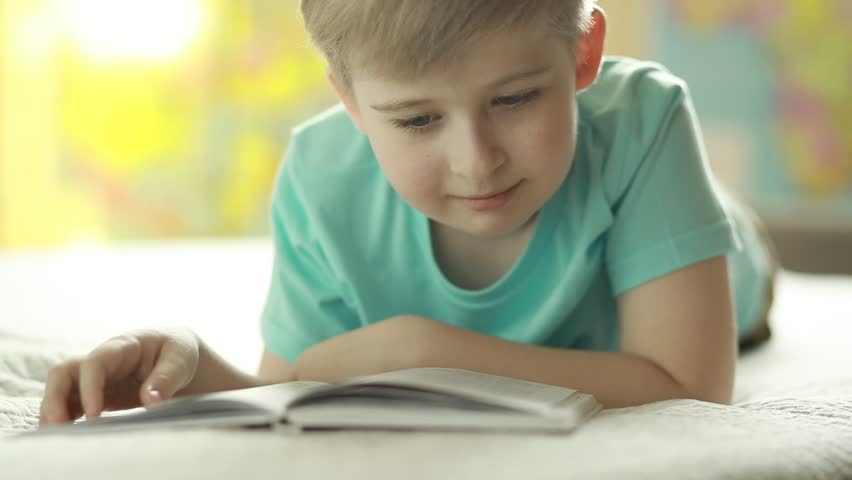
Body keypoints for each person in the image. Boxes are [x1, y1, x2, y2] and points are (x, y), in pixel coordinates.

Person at [39, 0, 777, 426]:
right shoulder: (320, 176)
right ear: (350, 101)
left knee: (741, 259)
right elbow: (299, 387)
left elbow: (690, 382)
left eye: (516, 98)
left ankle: (724, 218)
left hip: (729, 280)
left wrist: (430, 350)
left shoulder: (646, 119)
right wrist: (190, 364)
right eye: (418, 120)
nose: (476, 160)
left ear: (584, 54)